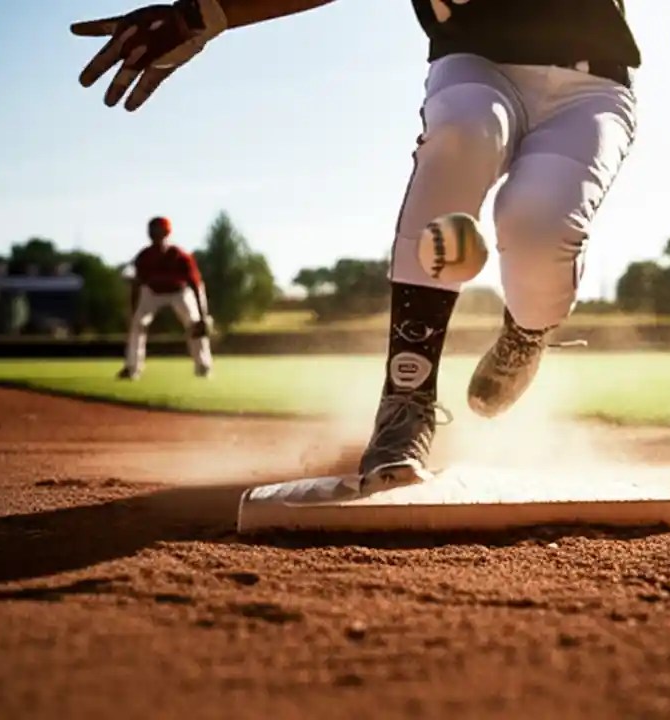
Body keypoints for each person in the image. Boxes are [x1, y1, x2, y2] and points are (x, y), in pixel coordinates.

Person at [73, 0, 640, 490]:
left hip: (592, 87)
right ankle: (406, 401)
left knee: (536, 228)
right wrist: (205, 12)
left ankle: (525, 333)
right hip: (477, 65)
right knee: (463, 134)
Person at [119, 216, 214, 380]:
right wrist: (133, 312)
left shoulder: (181, 256)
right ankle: (132, 367)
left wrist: (203, 315)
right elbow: (137, 286)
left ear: (167, 233)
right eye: (153, 231)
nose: (156, 235)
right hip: (153, 292)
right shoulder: (144, 256)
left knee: (195, 323)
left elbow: (196, 286)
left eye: (159, 231)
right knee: (137, 325)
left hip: (180, 292)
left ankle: (203, 365)